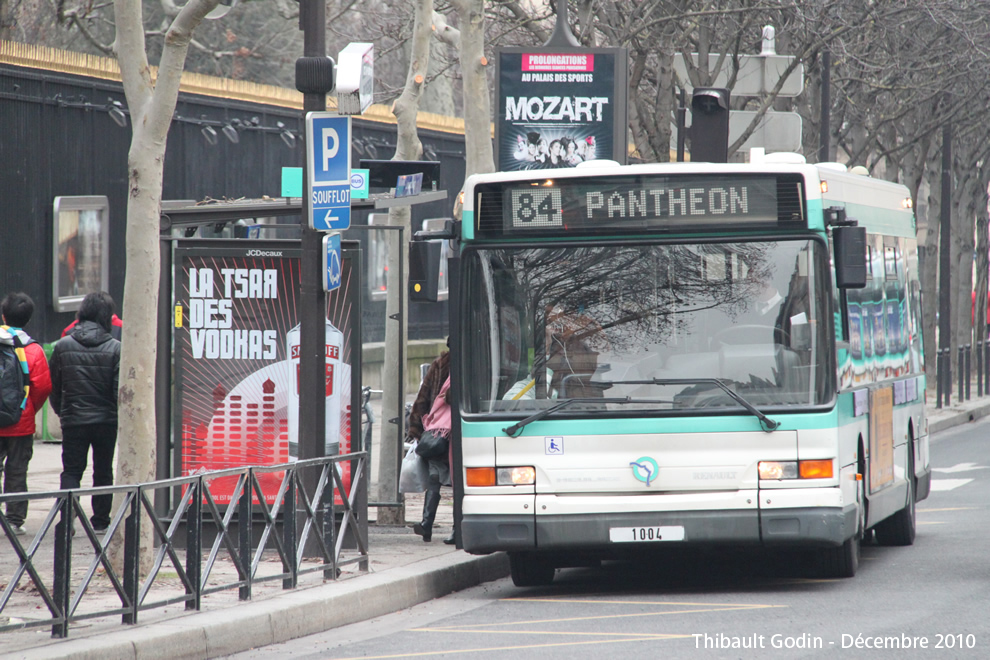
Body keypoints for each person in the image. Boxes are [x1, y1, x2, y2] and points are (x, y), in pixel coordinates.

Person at [49, 291, 121, 532]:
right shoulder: (115, 348)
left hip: (73, 419)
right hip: (106, 421)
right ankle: (101, 521)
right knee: (103, 470)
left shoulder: (62, 345)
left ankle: (67, 519)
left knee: (71, 470)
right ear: (107, 316)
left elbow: (55, 385)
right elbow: (116, 389)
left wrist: (62, 411)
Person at [0, 293, 52, 536]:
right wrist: (27, 410)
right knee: (17, 470)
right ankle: (14, 519)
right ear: (28, 319)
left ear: (3, 315)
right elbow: (42, 388)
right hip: (20, 422)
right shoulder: (33, 350)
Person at [406, 348, 453, 544]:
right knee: (458, 482)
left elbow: (422, 399)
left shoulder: (439, 364)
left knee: (434, 478)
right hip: (456, 434)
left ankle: (427, 525)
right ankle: (457, 529)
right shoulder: (474, 365)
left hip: (436, 432)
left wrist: (416, 429)